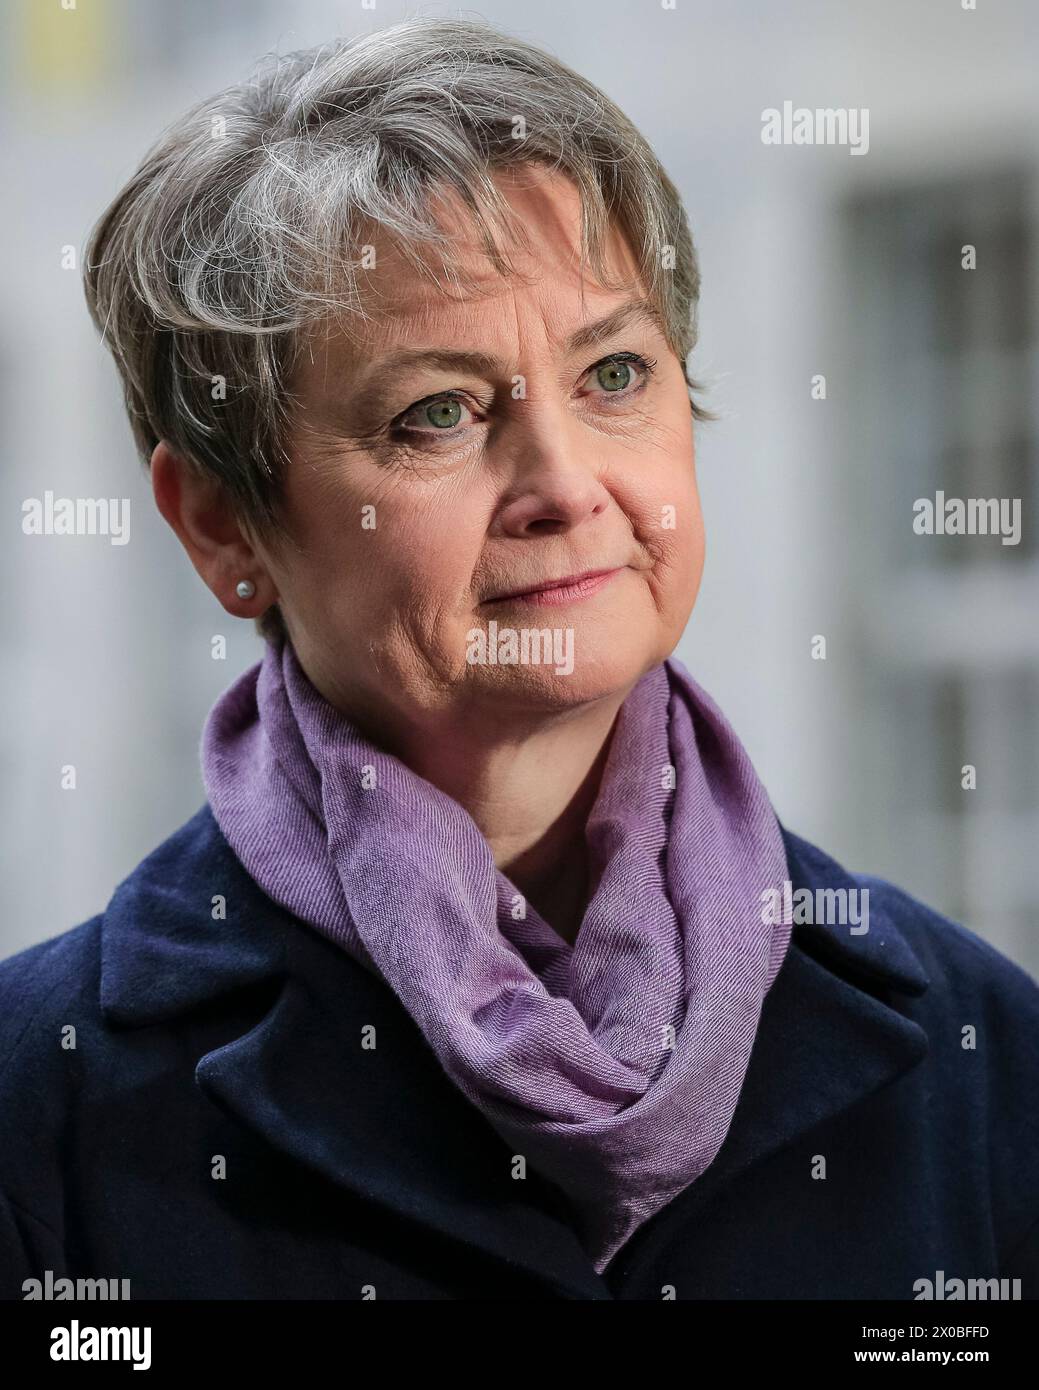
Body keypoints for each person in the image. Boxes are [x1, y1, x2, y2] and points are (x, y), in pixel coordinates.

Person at [2, 16, 1037, 1301]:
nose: (561, 483)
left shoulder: (982, 1041)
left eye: (612, 373)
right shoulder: (34, 1101)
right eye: (436, 413)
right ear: (223, 522)